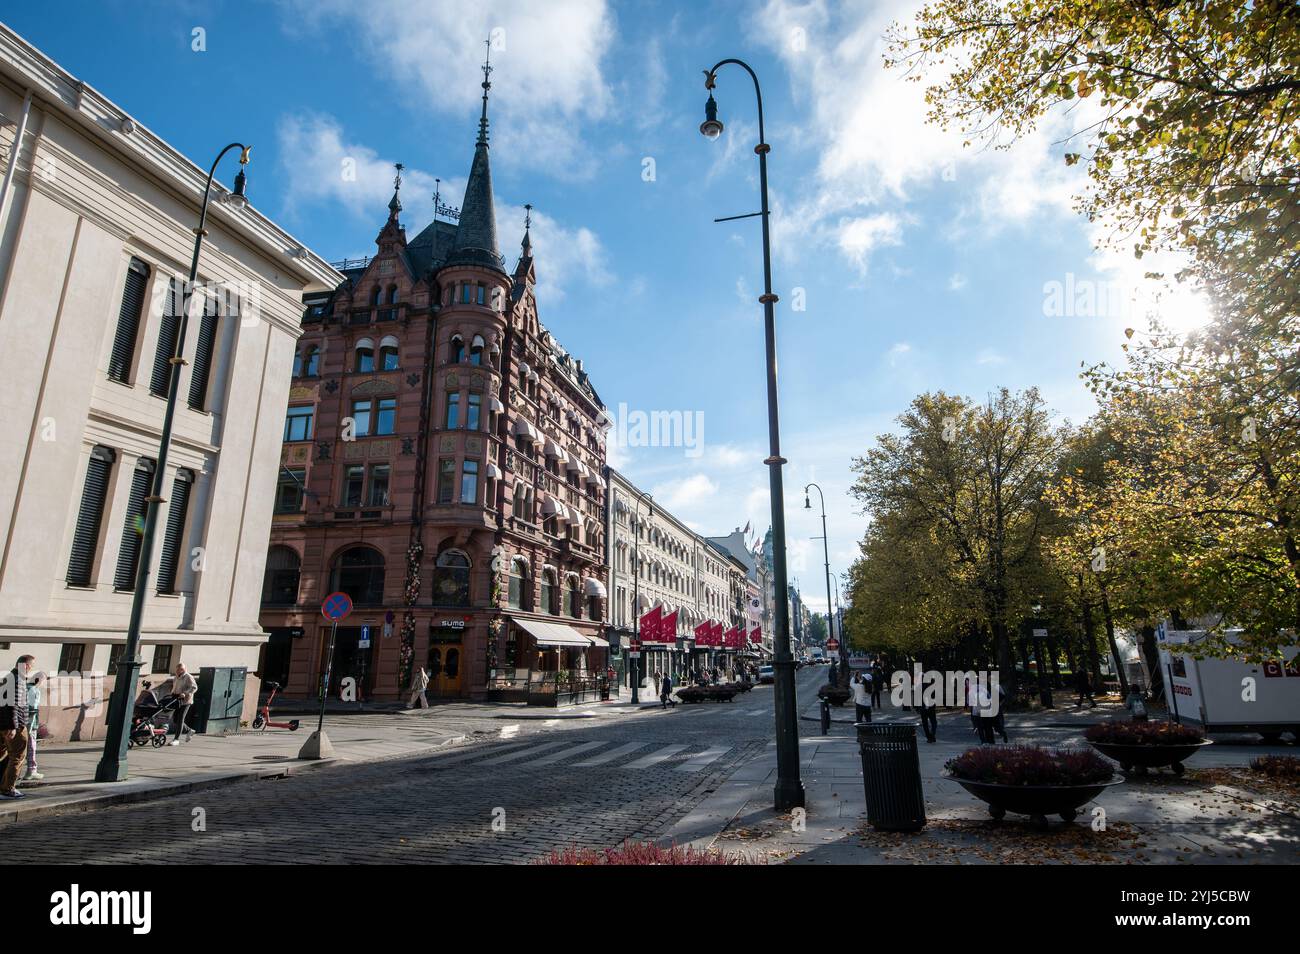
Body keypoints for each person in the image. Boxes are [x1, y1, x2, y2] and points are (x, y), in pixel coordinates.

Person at [0, 655, 35, 798]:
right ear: (26, 666)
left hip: (4, 724)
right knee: (18, 756)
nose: (32, 669)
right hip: (16, 725)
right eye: (32, 666)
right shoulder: (17, 680)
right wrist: (13, 727)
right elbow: (13, 705)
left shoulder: (9, 678)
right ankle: (7, 789)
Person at [22, 671, 45, 782]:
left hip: (24, 720)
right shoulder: (34, 690)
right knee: (31, 745)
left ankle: (30, 770)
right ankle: (31, 770)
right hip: (30, 721)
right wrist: (31, 727)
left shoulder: (26, 687)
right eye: (43, 680)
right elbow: (32, 709)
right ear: (39, 680)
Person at [168, 663, 198, 745]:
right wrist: (172, 693)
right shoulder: (176, 677)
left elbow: (194, 687)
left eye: (179, 669)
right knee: (175, 719)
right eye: (177, 669)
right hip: (176, 699)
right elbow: (174, 686)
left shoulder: (188, 677)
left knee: (181, 719)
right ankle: (189, 730)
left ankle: (176, 739)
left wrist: (185, 693)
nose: (177, 671)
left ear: (183, 669)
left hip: (185, 701)